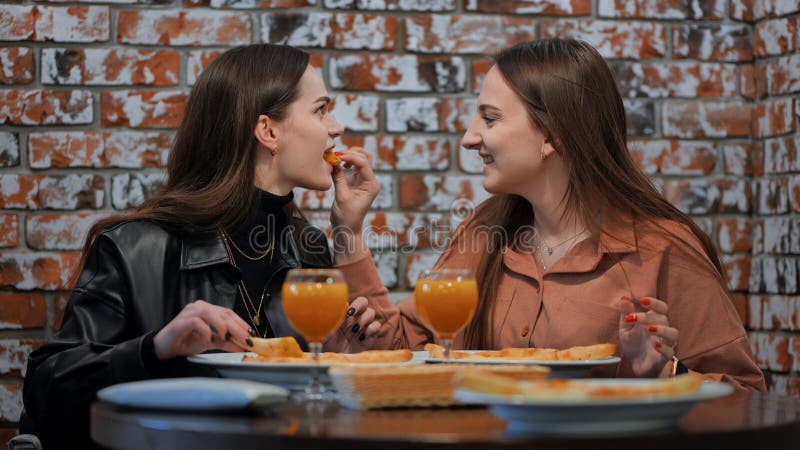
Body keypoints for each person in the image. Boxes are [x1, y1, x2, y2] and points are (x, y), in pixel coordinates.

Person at [337, 39, 766, 391]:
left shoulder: (662, 248)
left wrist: (665, 375)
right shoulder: (484, 231)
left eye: (490, 117)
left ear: (552, 135)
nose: (470, 137)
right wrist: (349, 232)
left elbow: (745, 395)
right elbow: (398, 348)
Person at [21, 44, 383, 449]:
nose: (335, 127)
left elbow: (320, 415)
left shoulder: (309, 248)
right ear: (268, 131)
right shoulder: (137, 247)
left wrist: (342, 357)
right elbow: (45, 392)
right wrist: (156, 348)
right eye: (320, 110)